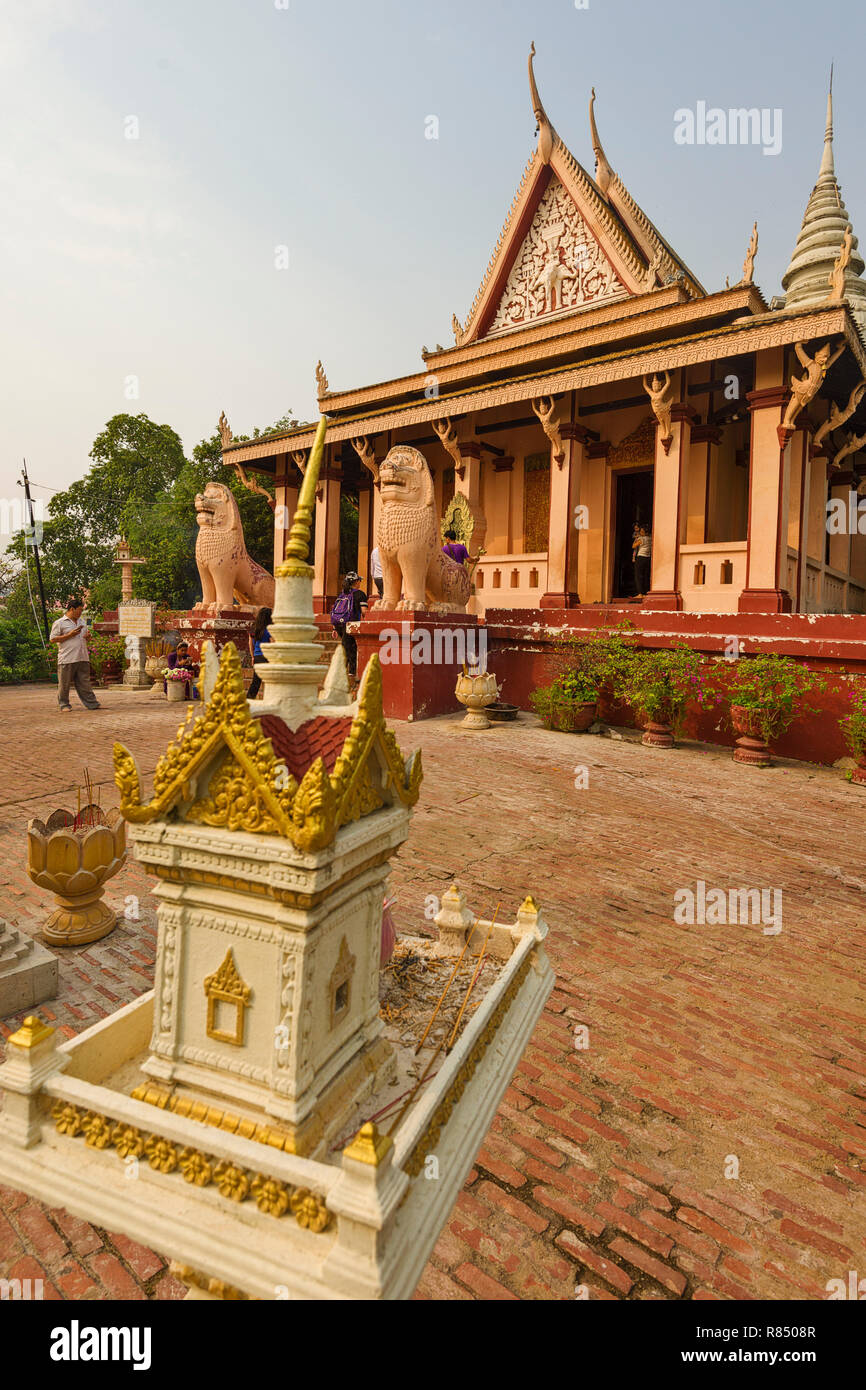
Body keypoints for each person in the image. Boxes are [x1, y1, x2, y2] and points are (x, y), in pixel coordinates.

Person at [49, 597, 101, 713]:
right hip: (67, 658)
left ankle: (92, 703)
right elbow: (53, 639)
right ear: (72, 609)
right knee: (64, 684)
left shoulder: (82, 622)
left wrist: (88, 638)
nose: (81, 612)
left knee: (84, 682)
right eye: (79, 610)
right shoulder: (59, 623)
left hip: (82, 656)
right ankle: (64, 704)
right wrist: (70, 635)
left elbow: (85, 638)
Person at [330, 573, 366, 679]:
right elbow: (364, 612)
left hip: (339, 624)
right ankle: (349, 671)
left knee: (346, 646)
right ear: (356, 582)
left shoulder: (342, 594)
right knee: (351, 648)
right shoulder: (360, 594)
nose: (360, 582)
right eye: (359, 580)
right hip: (351, 624)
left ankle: (344, 670)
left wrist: (334, 628)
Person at [247, 606, 273, 700]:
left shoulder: (254, 629)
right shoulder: (269, 630)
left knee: (256, 681)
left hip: (257, 656)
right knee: (270, 680)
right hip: (267, 657)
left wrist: (253, 657)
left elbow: (250, 644)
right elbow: (272, 643)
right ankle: (270, 699)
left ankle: (249, 699)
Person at [633, 525, 652, 598]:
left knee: (638, 575)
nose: (640, 532)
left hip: (641, 557)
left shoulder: (641, 539)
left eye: (641, 531)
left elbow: (633, 546)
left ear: (644, 532)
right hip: (648, 558)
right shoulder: (651, 538)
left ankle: (640, 593)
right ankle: (645, 592)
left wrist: (636, 539)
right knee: (646, 575)